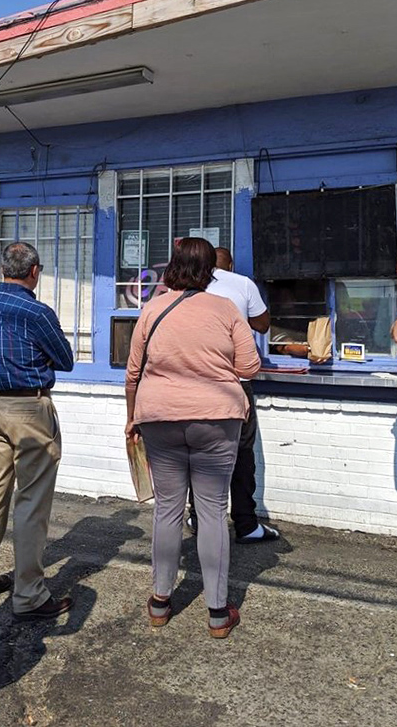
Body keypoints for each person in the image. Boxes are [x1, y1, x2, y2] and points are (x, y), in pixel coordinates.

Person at [125, 238, 260, 637]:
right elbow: (249, 367)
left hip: (159, 417)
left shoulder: (152, 308)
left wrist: (131, 418)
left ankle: (160, 601)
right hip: (217, 419)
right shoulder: (225, 309)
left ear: (172, 267)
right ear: (210, 271)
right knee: (214, 510)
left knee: (167, 508)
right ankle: (218, 611)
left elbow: (133, 372)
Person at [0, 241, 75, 621]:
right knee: (31, 500)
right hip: (29, 407)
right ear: (33, 271)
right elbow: (66, 359)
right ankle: (28, 594)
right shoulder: (36, 311)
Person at [191, 246, 281, 543]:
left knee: (199, 452)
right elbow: (263, 325)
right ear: (229, 264)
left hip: (197, 381)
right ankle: (246, 522)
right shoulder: (242, 283)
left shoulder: (189, 287)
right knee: (242, 453)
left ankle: (197, 516)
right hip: (235, 383)